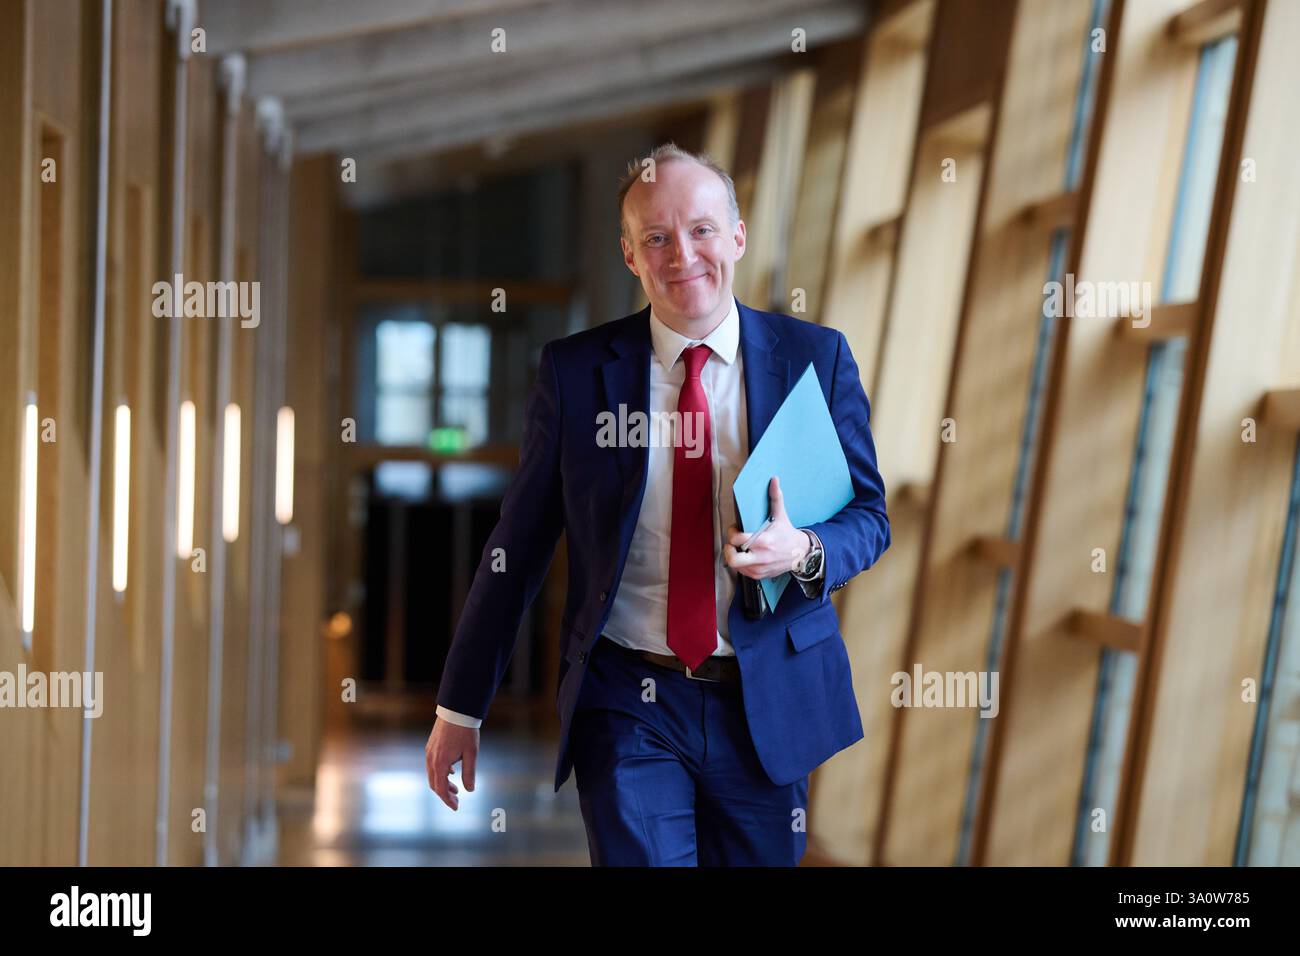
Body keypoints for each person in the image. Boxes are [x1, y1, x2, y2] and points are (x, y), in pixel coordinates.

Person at [424, 142, 890, 865]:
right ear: (629, 256)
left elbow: (869, 518)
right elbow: (516, 549)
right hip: (628, 700)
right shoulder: (577, 375)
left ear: (737, 235)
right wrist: (460, 707)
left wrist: (805, 550)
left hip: (765, 698)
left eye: (701, 230)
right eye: (656, 238)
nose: (683, 255)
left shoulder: (814, 359)